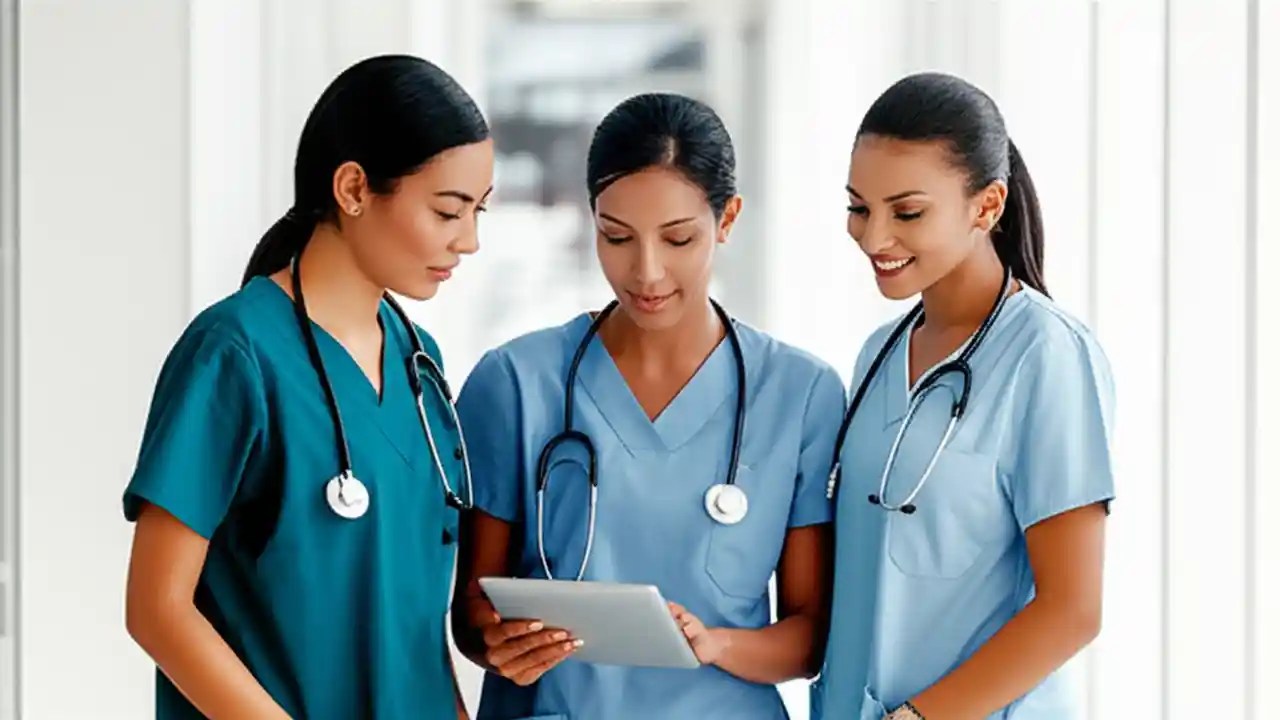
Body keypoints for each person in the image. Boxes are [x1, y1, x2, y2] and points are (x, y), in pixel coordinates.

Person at [450, 92, 845, 719]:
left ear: (729, 219)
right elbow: (470, 609)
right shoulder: (516, 383)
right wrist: (495, 641)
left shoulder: (800, 394)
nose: (647, 272)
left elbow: (811, 636)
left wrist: (716, 645)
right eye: (617, 237)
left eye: (679, 238)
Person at [122, 55, 493, 720]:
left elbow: (411, 625)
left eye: (477, 213)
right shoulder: (235, 354)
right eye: (447, 211)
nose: (468, 241)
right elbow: (157, 609)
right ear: (353, 189)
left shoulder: (420, 365)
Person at [812, 71, 1115, 720]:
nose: (872, 237)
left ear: (987, 205)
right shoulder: (879, 355)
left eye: (908, 212)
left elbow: (1073, 610)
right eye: (859, 207)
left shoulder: (1047, 355)